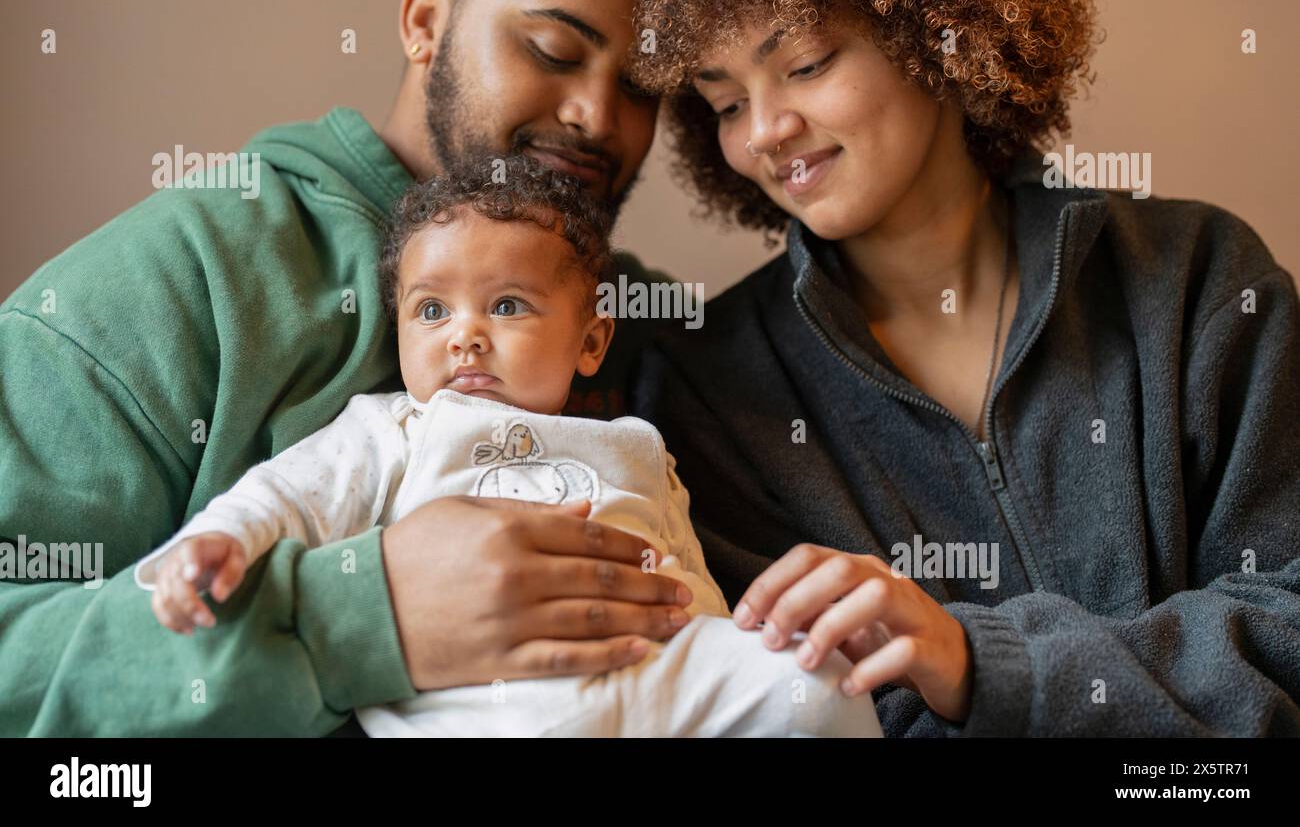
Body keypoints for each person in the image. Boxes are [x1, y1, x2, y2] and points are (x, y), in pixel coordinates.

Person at [0, 0, 693, 737]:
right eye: (553, 50)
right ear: (423, 23)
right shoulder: (183, 273)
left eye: (641, 85)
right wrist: (360, 617)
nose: (596, 114)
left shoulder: (654, 333)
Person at [627, 0, 1300, 735]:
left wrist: (982, 662)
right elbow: (788, 713)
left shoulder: (1198, 281)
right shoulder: (712, 395)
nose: (763, 132)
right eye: (724, 102)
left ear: (934, 32)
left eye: (805, 63)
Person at [133, 154, 883, 737]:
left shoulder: (635, 447)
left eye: (507, 305)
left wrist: (732, 645)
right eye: (431, 309)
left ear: (590, 342)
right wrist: (218, 539)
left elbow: (689, 575)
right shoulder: (395, 427)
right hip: (488, 696)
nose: (465, 333)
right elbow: (291, 495)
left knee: (818, 688)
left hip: (658, 674)